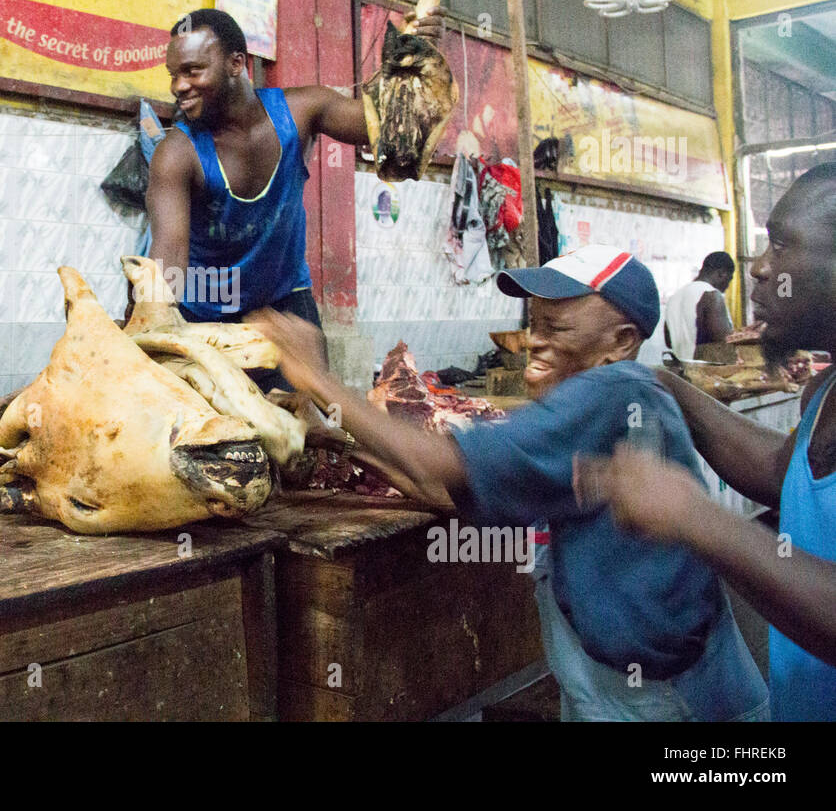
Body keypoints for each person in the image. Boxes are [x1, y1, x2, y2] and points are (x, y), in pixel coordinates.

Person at [252, 244, 768, 721]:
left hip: (668, 702)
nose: (534, 340)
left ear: (621, 341)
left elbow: (445, 465)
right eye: (534, 323)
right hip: (628, 684)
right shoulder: (611, 402)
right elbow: (451, 490)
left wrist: (317, 377)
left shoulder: (610, 393)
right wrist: (338, 441)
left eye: (558, 328)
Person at [575, 164, 836, 721]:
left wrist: (696, 518)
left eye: (784, 244)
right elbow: (778, 470)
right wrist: (661, 385)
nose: (761, 267)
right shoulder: (825, 390)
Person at [146, 7, 443, 389]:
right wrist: (148, 329)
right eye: (174, 75)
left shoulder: (302, 111)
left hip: (284, 303)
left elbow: (388, 128)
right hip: (205, 316)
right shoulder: (177, 153)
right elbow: (168, 258)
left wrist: (417, 57)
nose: (178, 86)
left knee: (312, 425)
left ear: (237, 63)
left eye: (192, 71)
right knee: (215, 436)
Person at [664, 251, 735, 360]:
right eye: (729, 279)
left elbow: (669, 342)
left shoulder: (674, 298)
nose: (728, 286)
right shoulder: (711, 295)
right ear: (721, 274)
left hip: (679, 371)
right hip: (705, 372)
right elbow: (724, 342)